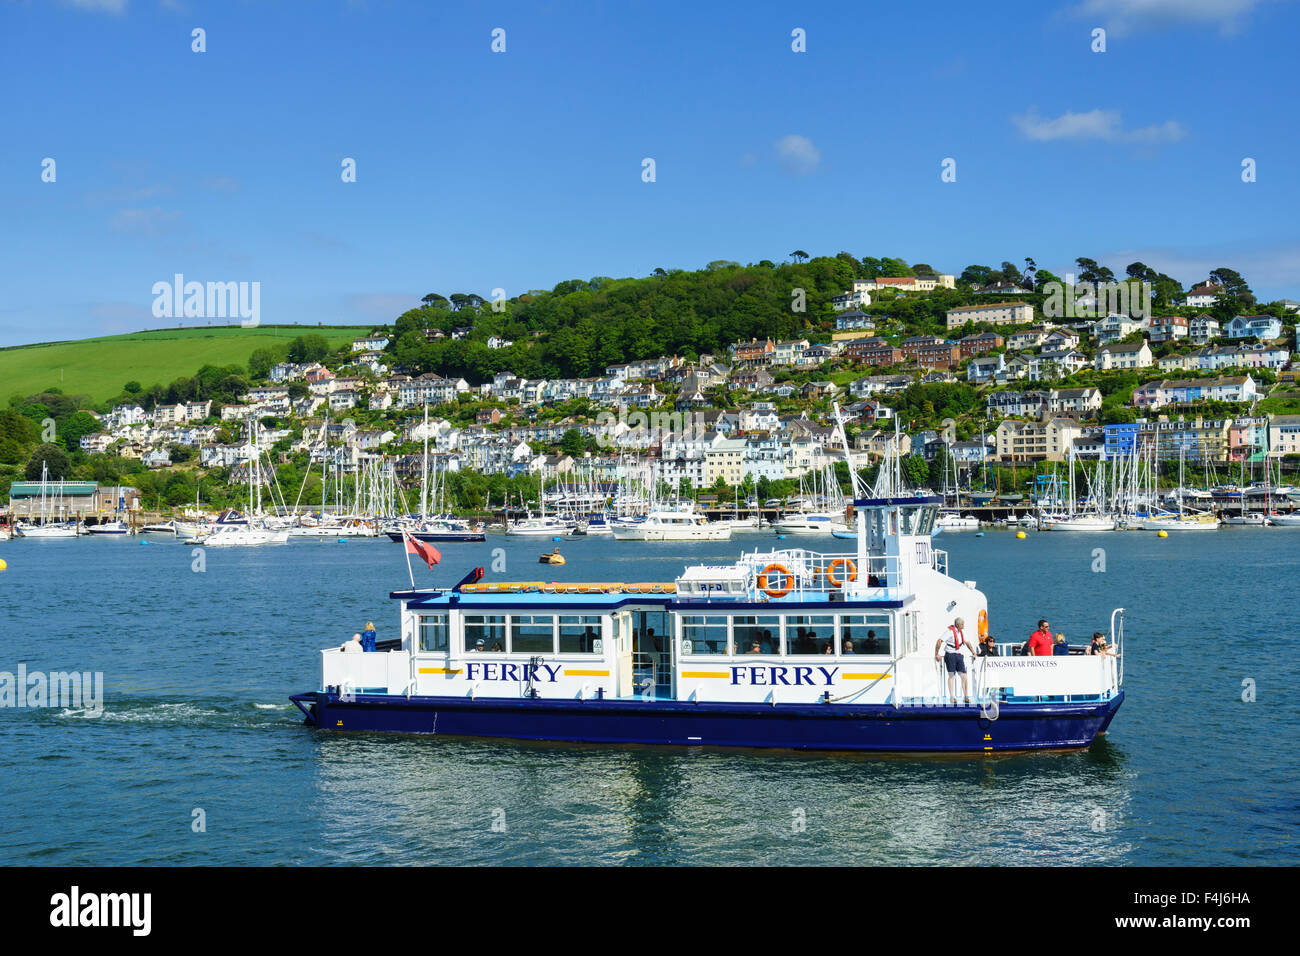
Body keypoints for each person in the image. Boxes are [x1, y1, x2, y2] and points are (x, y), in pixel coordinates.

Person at [934, 616, 975, 704]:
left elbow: (967, 642)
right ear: (957, 625)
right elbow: (939, 641)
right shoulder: (949, 632)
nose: (964, 625)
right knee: (951, 676)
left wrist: (973, 652)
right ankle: (952, 697)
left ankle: (965, 696)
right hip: (950, 654)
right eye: (962, 624)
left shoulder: (962, 632)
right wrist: (936, 653)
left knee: (964, 676)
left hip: (959, 654)